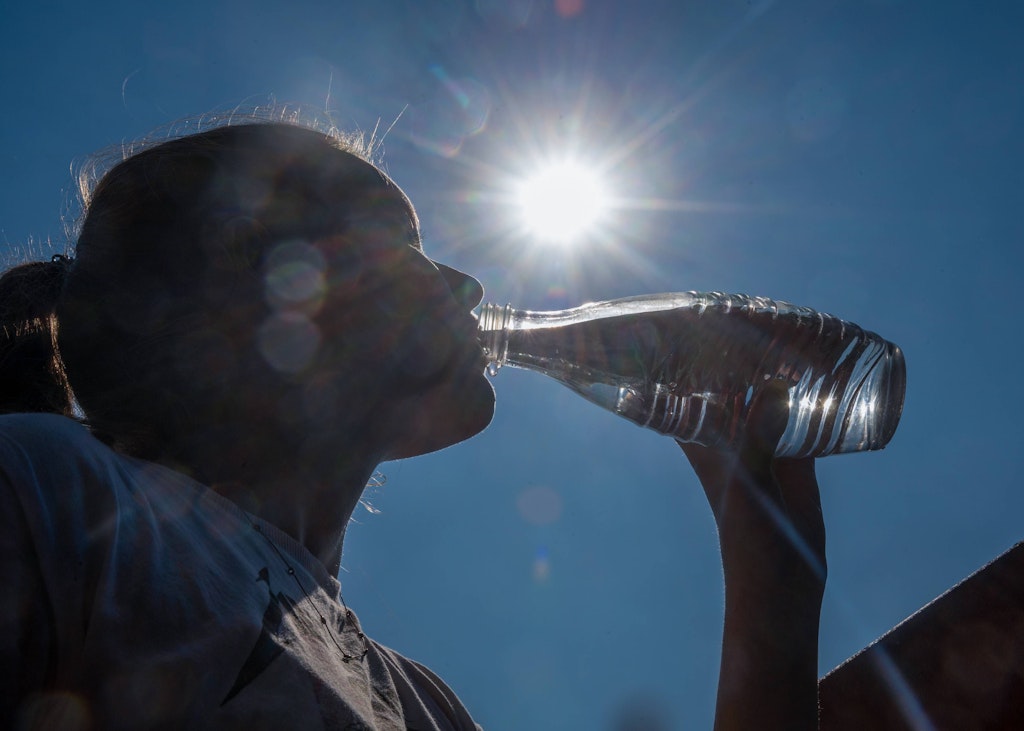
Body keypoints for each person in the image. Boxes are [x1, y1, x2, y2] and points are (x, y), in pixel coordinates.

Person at [0, 119, 825, 730]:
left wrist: (775, 576)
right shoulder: (59, 496)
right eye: (403, 244)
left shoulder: (427, 706)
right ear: (270, 294)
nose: (466, 284)